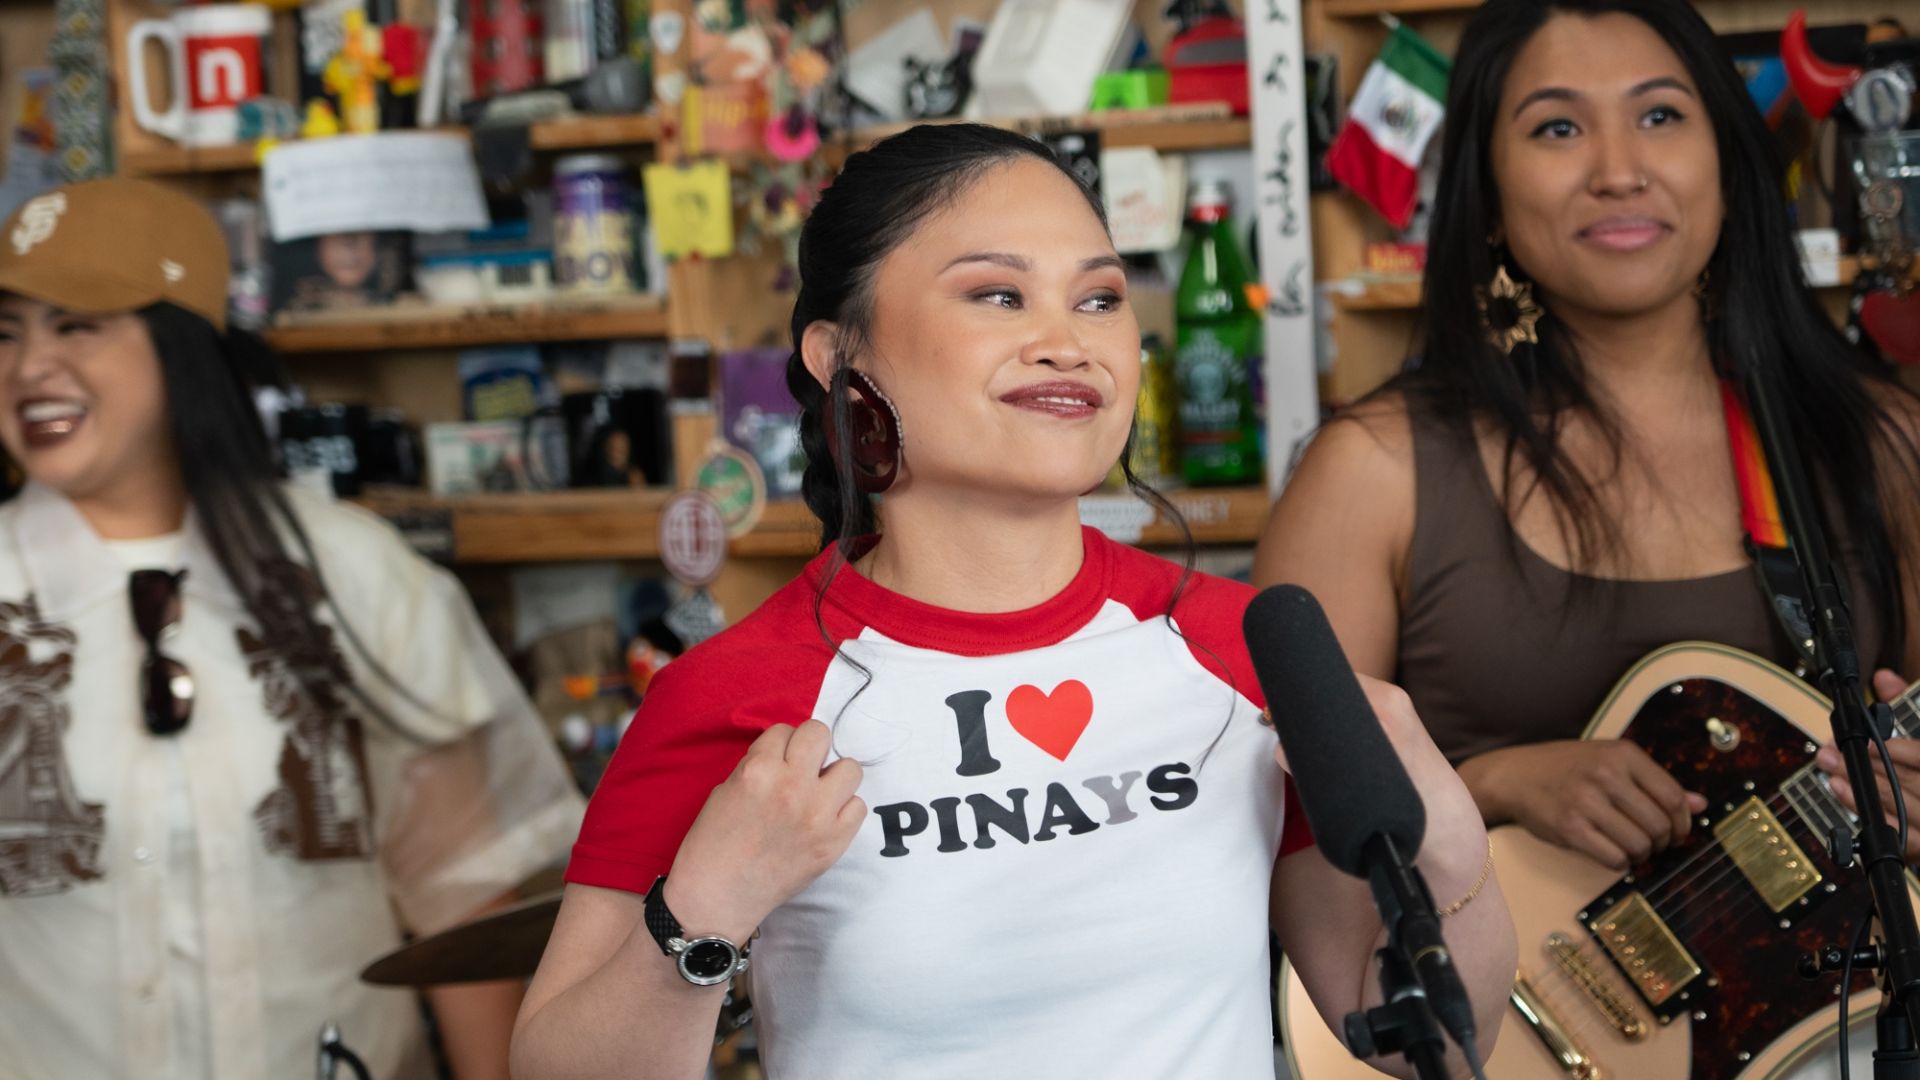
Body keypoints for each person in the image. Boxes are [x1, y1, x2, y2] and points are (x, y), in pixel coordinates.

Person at [510, 123, 1516, 1079]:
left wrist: (1448, 827)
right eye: (997, 296)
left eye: (1100, 299)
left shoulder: (1232, 647)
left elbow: (1403, 1035)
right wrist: (708, 904)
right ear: (838, 355)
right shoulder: (736, 692)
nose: (1067, 343)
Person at [1254, 0, 1920, 1073]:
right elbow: (1262, 806)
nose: (1618, 168)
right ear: (1485, 189)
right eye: (1557, 128)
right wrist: (1495, 784)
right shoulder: (1375, 471)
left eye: (1661, 117)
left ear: (1730, 160)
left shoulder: (1876, 443)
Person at [0, 178, 586, 1079]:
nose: (30, 364)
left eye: (77, 323)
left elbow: (461, 897)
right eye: (8, 330)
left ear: (183, 343)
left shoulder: (355, 575)